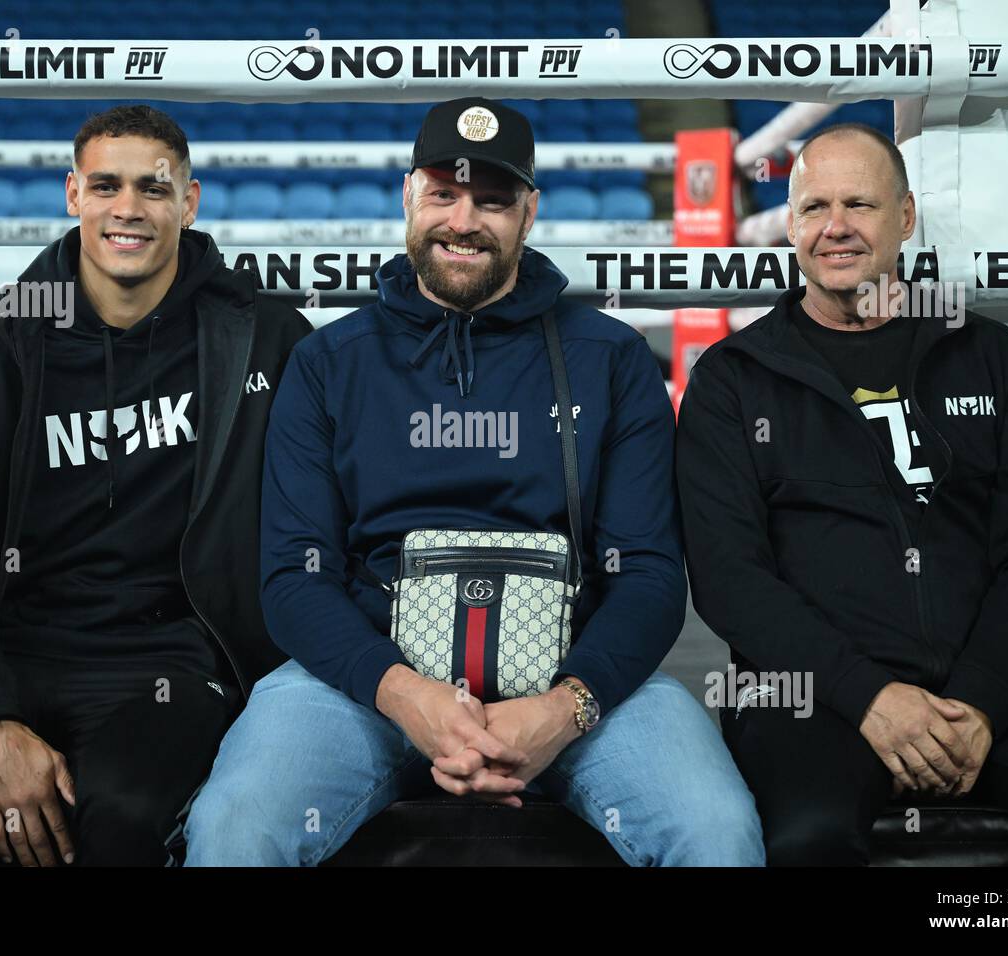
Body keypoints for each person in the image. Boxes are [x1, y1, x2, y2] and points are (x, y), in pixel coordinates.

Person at [182, 97, 763, 867]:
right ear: (406, 198)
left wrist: (565, 708)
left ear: (530, 212)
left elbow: (651, 576)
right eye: (444, 194)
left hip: (575, 679)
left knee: (715, 829)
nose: (464, 220)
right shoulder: (329, 363)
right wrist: (407, 697)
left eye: (492, 201)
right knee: (233, 828)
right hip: (365, 688)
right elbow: (294, 576)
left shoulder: (612, 359)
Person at [0, 105, 311, 866]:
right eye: (107, 185)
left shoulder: (264, 337)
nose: (129, 209)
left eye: (154, 188)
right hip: (5, 645)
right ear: (73, 194)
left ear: (189, 201)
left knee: (128, 807)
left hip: (169, 661)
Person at [675, 122, 1008, 865]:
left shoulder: (993, 358)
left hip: (994, 685)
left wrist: (978, 701)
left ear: (905, 216)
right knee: (804, 844)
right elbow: (729, 578)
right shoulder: (732, 380)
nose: (835, 227)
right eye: (814, 208)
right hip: (810, 695)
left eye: (860, 205)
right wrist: (871, 697)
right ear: (790, 225)